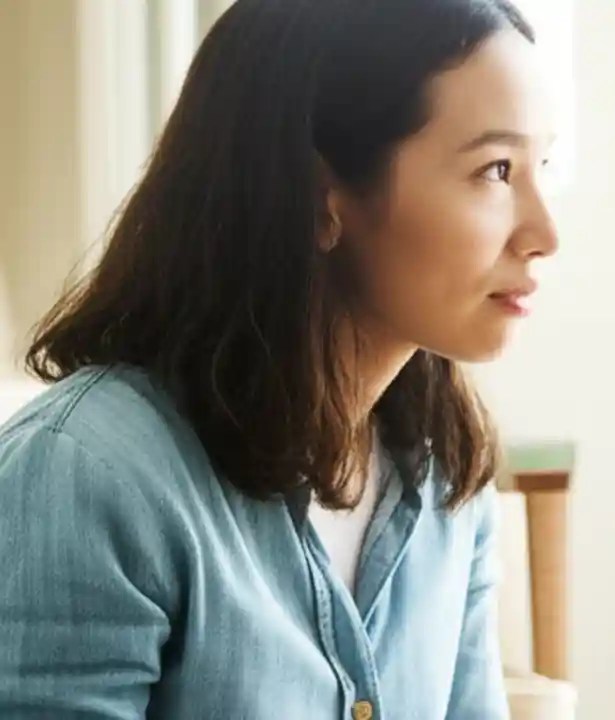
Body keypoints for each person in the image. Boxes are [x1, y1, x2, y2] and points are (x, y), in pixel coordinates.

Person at [0, 0, 558, 717]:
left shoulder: (448, 481)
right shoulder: (85, 478)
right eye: (496, 169)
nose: (546, 232)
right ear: (320, 197)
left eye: (543, 164)